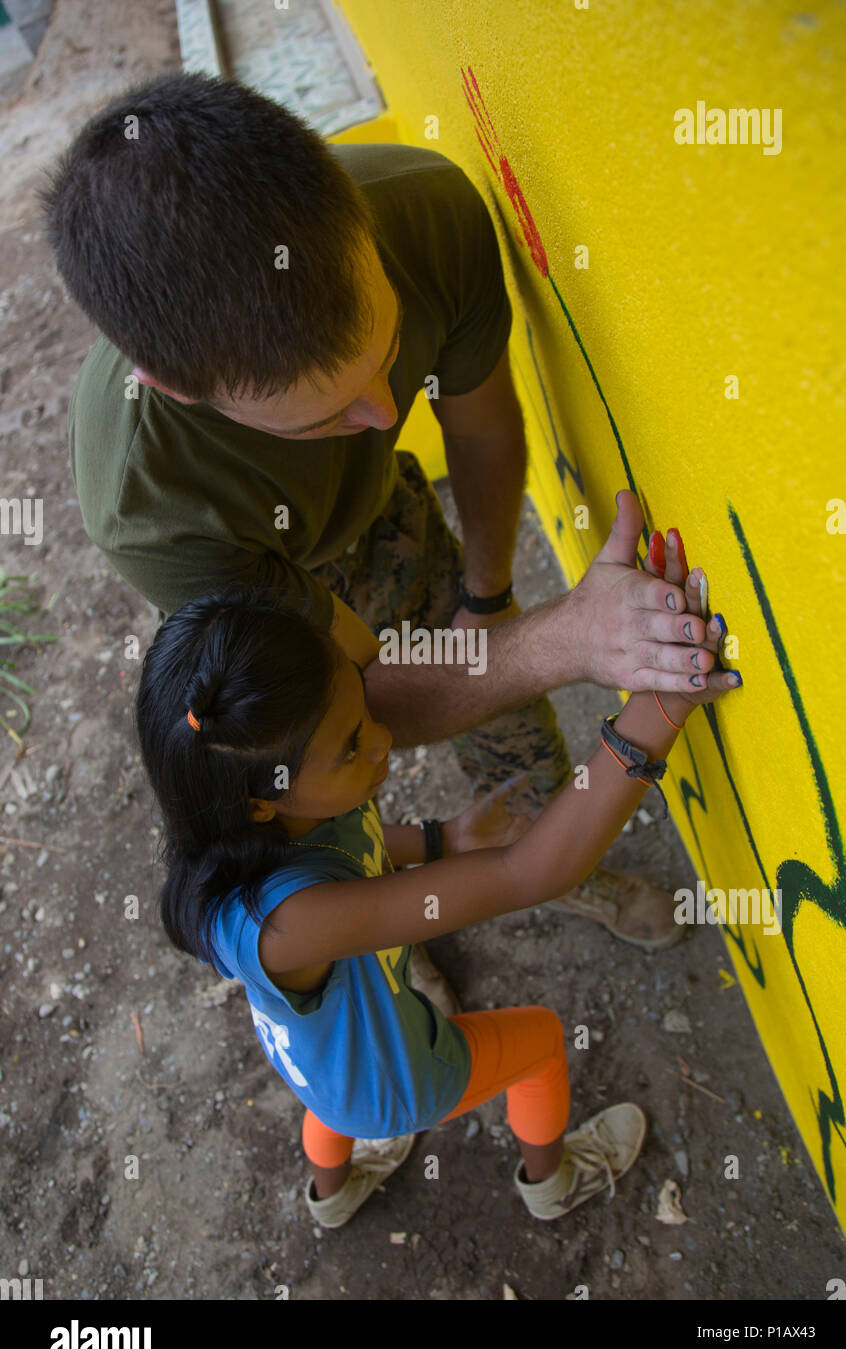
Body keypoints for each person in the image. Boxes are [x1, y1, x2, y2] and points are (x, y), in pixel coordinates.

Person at [42, 70, 725, 966]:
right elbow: (357, 706)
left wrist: (490, 602)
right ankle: (373, 948)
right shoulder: (153, 512)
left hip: (381, 524)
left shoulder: (427, 210)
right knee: (326, 786)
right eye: (325, 416)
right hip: (270, 582)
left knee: (492, 705)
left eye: (391, 353)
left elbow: (478, 427)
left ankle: (532, 857)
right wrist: (566, 643)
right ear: (175, 390)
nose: (382, 417)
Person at [134, 523, 741, 1227]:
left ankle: (331, 1197)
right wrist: (661, 703)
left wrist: (441, 838)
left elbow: (355, 847)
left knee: (330, 1110)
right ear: (265, 797)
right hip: (394, 1080)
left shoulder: (241, 830)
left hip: (317, 1064)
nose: (385, 740)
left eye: (363, 714)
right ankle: (551, 1182)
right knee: (542, 1040)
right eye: (353, 744)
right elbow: (528, 873)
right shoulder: (293, 924)